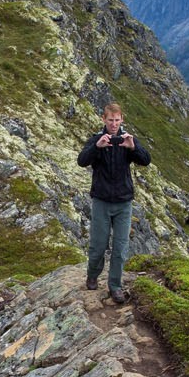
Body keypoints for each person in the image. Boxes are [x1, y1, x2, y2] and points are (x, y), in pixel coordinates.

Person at [77, 102, 151, 303]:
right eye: (110, 120)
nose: (114, 124)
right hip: (101, 201)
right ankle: (92, 275)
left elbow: (146, 160)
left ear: (122, 120)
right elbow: (82, 160)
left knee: (120, 247)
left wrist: (133, 148)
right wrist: (97, 147)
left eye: (117, 120)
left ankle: (115, 286)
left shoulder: (128, 140)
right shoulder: (96, 140)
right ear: (104, 119)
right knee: (98, 246)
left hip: (123, 203)